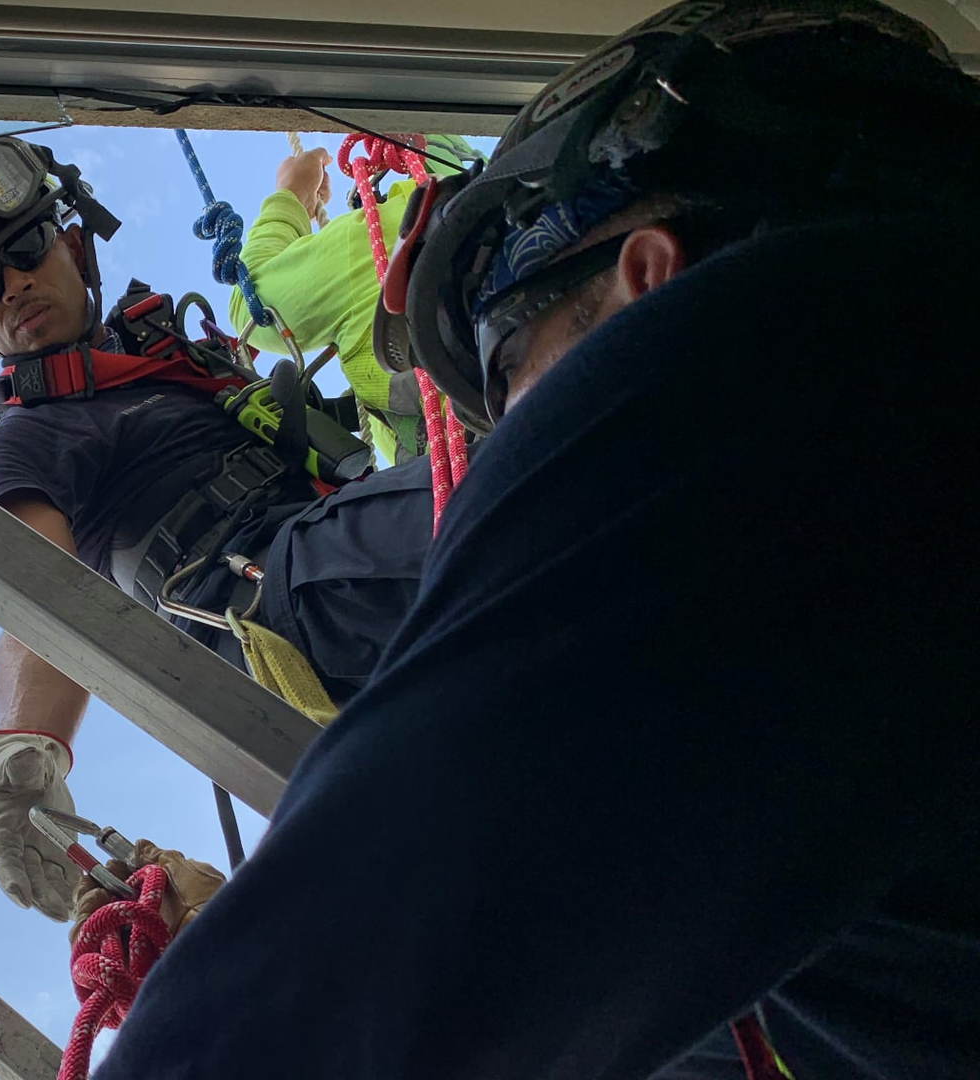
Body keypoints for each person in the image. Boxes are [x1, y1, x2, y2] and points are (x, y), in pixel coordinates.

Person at [92, 2, 980, 1078]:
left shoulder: (745, 393)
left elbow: (377, 932)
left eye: (506, 376)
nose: (498, 435)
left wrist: (274, 953)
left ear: (651, 285)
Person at [0, 137, 437, 922]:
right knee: (531, 470)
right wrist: (20, 746)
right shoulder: (29, 435)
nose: (11, 287)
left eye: (26, 249)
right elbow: (38, 591)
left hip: (339, 548)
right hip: (275, 595)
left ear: (73, 242)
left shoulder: (175, 361)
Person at [230, 134, 484, 461]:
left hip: (473, 482)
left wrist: (293, 194)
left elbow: (253, 307)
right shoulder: (526, 208)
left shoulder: (374, 234)